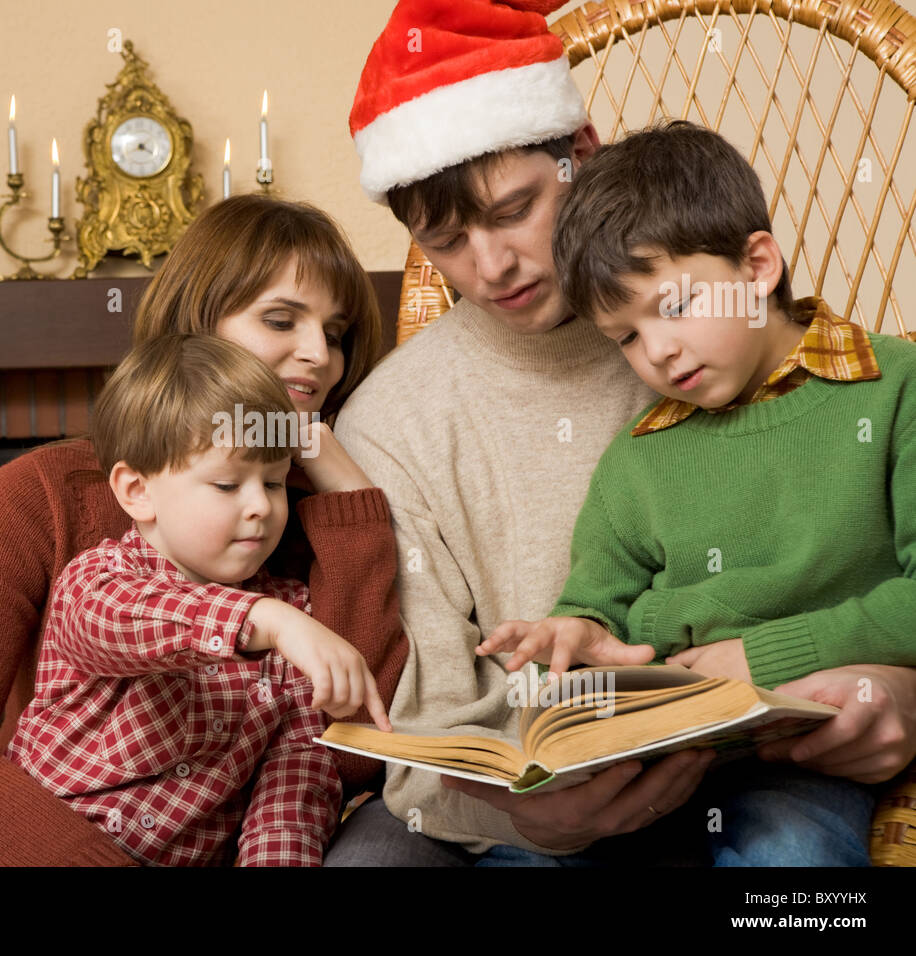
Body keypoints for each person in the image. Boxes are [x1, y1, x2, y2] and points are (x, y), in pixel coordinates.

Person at [326, 0, 916, 866]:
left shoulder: (751, 341)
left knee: (792, 859)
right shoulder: (393, 425)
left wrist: (896, 687)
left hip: (772, 767)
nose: (492, 268)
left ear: (582, 158)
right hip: (544, 801)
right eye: (446, 241)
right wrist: (531, 810)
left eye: (514, 209)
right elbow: (430, 733)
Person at [0, 196, 409, 866]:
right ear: (198, 322)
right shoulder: (37, 497)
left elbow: (346, 750)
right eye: (281, 319)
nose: (318, 356)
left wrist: (352, 504)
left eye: (335, 334)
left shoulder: (295, 517)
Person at [476, 120, 916, 865]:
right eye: (625, 337)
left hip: (794, 760)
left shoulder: (892, 389)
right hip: (649, 763)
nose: (657, 352)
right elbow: (600, 599)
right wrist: (575, 631)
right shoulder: (640, 456)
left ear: (757, 266)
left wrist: (764, 658)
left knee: (792, 857)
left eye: (672, 307)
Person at [6, 334, 391, 866]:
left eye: (275, 483)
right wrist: (262, 619)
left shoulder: (295, 615)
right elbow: (117, 623)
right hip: (52, 845)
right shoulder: (99, 577)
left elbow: (295, 778)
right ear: (138, 491)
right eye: (228, 485)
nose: (260, 506)